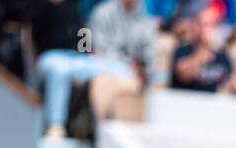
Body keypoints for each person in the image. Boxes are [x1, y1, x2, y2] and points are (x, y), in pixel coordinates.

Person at [35, 0, 157, 137]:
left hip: (88, 61)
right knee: (58, 68)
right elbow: (97, 46)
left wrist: (139, 66)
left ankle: (96, 130)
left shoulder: (73, 6)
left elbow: (84, 38)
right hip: (56, 57)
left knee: (120, 72)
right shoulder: (40, 6)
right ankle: (55, 125)